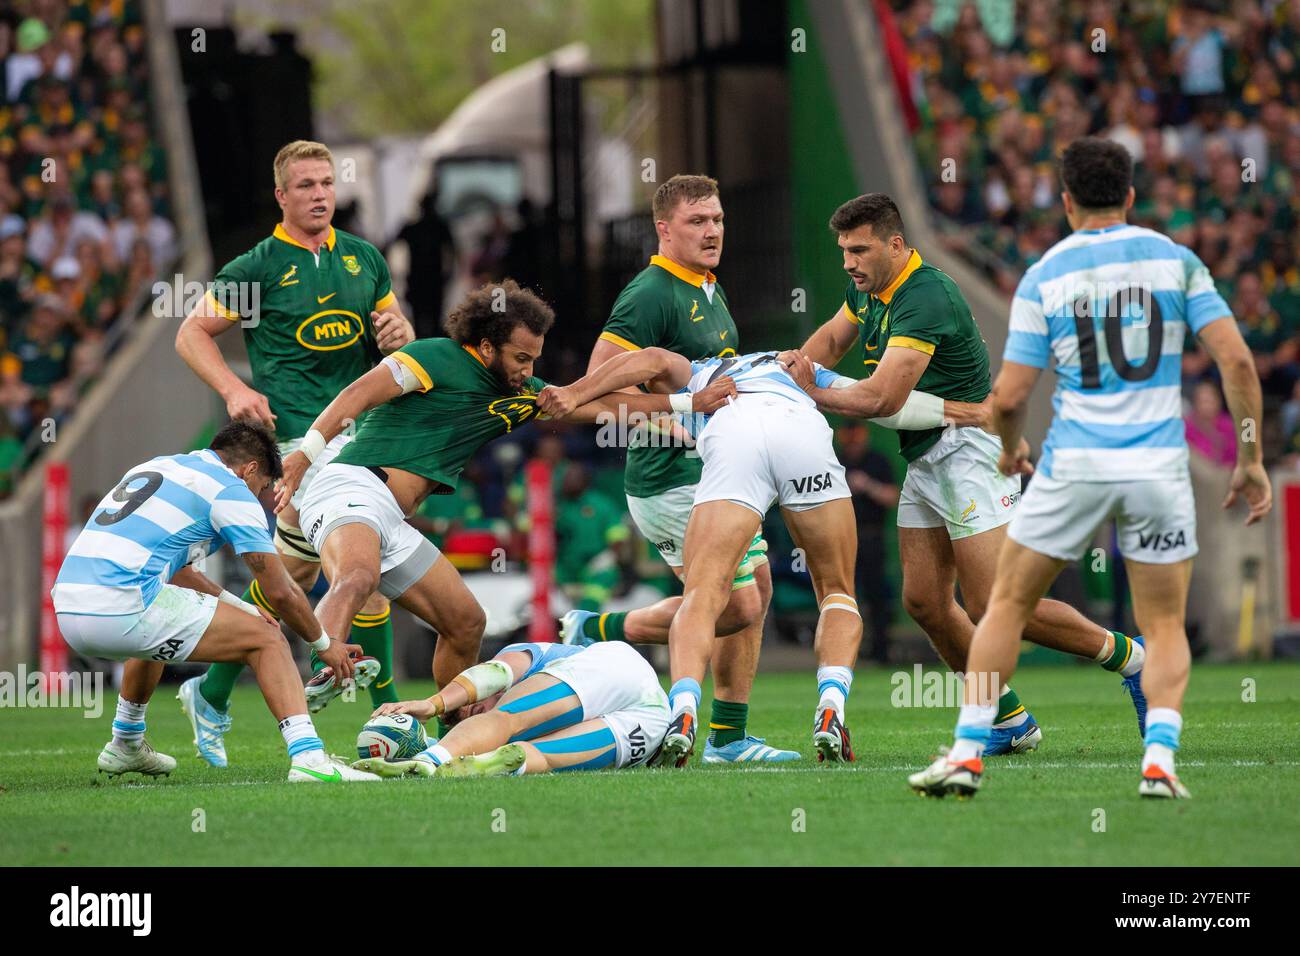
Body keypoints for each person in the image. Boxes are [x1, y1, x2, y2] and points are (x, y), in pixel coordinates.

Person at [907, 137, 1272, 801]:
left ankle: (966, 754)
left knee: (1004, 608)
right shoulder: (1177, 261)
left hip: (1076, 461)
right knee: (1162, 625)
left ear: (1066, 201)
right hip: (1158, 467)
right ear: (1131, 197)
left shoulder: (1046, 272)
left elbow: (1012, 395)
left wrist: (1011, 448)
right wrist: (1248, 456)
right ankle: (1159, 762)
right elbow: (1239, 364)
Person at [788, 192, 1148, 757]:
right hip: (927, 454)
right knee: (927, 602)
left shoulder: (924, 293)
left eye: (859, 250)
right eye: (843, 252)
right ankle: (1007, 716)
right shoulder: (870, 291)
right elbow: (830, 342)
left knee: (995, 606)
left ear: (895, 245)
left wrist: (810, 390)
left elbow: (883, 398)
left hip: (970, 454)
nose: (848, 262)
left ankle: (1131, 658)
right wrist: (793, 369)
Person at [274, 280, 738, 713]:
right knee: (357, 577)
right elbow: (358, 393)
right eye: (520, 358)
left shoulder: (522, 395)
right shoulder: (435, 356)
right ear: (487, 346)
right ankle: (322, 667)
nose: (528, 370)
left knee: (466, 622)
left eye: (534, 359)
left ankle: (449, 740)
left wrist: (686, 403)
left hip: (391, 518)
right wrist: (304, 454)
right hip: (351, 484)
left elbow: (604, 407)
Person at [540, 347, 979, 763]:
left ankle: (685, 709)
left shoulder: (700, 369)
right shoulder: (799, 366)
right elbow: (884, 404)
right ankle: (830, 706)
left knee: (705, 594)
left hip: (734, 437)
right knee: (836, 591)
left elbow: (647, 361)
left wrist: (577, 391)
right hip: (798, 432)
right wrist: (969, 412)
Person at [173, 140, 416, 767]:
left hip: (366, 434)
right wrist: (233, 387)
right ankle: (389, 718)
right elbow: (189, 331)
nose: (318, 194)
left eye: (326, 183)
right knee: (366, 564)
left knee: (297, 572)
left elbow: (399, 337)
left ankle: (213, 690)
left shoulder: (364, 258)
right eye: (305, 184)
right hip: (299, 445)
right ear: (281, 196)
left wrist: (400, 331)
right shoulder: (255, 269)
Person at [560, 174, 793, 763]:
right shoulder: (650, 295)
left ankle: (729, 737)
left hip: (716, 474)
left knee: (752, 595)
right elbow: (591, 396)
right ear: (664, 229)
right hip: (668, 480)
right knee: (733, 603)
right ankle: (601, 637)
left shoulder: (709, 287)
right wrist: (674, 421)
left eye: (716, 220)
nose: (712, 231)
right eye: (697, 221)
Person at [51, 420, 377, 783]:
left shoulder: (158, 466)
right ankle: (310, 760)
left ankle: (125, 742)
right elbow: (280, 590)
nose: (260, 496)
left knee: (157, 625)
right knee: (268, 641)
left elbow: (179, 574)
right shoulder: (230, 489)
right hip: (121, 606)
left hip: (68, 608)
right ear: (250, 469)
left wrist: (244, 610)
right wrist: (323, 643)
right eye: (264, 486)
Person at [355, 640, 669, 777]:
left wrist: (433, 704)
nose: (468, 712)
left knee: (505, 719)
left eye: (468, 706)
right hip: (651, 722)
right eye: (461, 719)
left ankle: (427, 761)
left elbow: (496, 673)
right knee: (533, 756)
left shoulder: (516, 654)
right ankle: (483, 764)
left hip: (617, 667)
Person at [836, 423, 899, 663]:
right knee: (846, 596)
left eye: (856, 435)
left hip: (872, 537)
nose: (853, 440)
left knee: (877, 597)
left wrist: (868, 485)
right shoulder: (836, 462)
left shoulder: (878, 461)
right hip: (844, 537)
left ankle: (881, 651)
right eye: (848, 435)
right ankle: (846, 653)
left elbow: (892, 496)